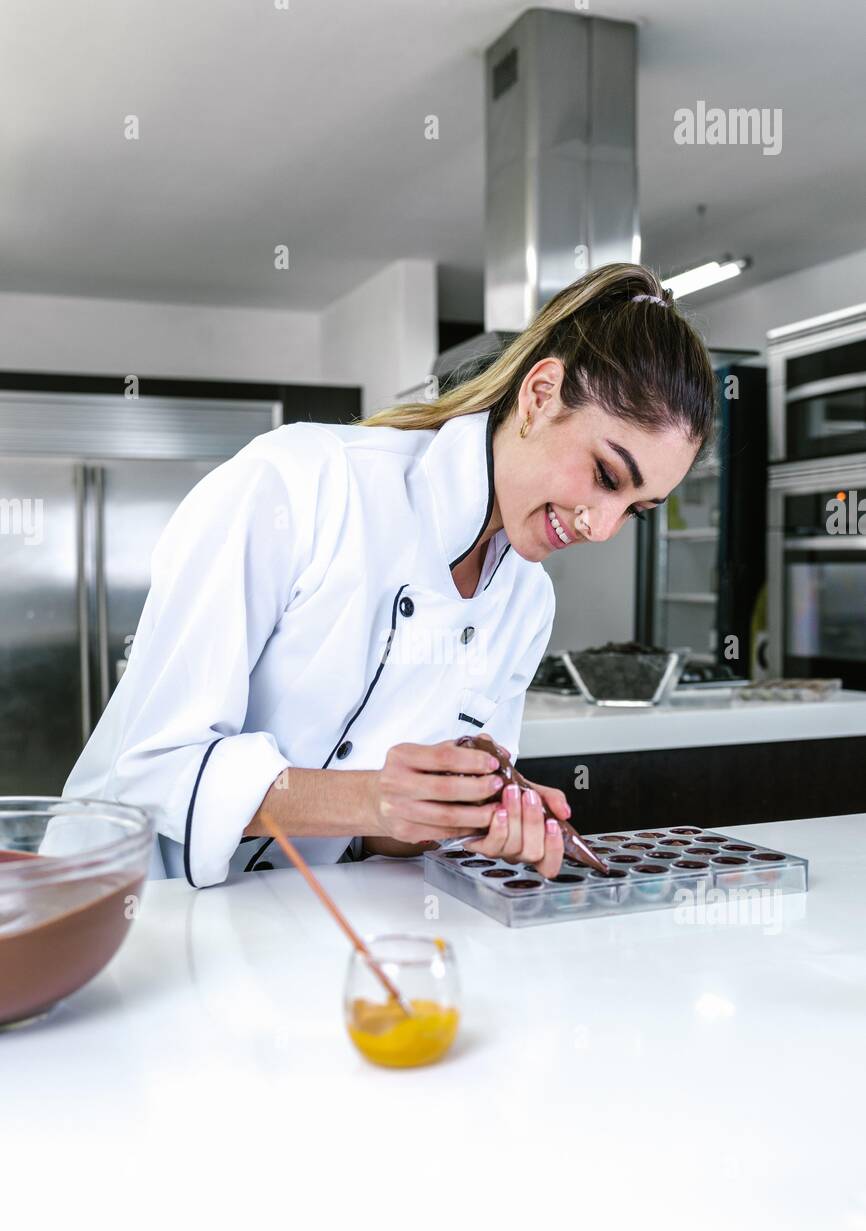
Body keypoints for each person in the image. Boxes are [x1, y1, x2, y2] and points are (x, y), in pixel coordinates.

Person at [63, 263, 716, 886]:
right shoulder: (302, 484)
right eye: (606, 476)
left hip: (300, 918)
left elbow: (379, 841)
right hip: (131, 907)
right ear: (541, 394)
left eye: (635, 510)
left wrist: (460, 814)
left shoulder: (524, 603)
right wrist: (372, 799)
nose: (601, 527)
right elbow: (153, 769)